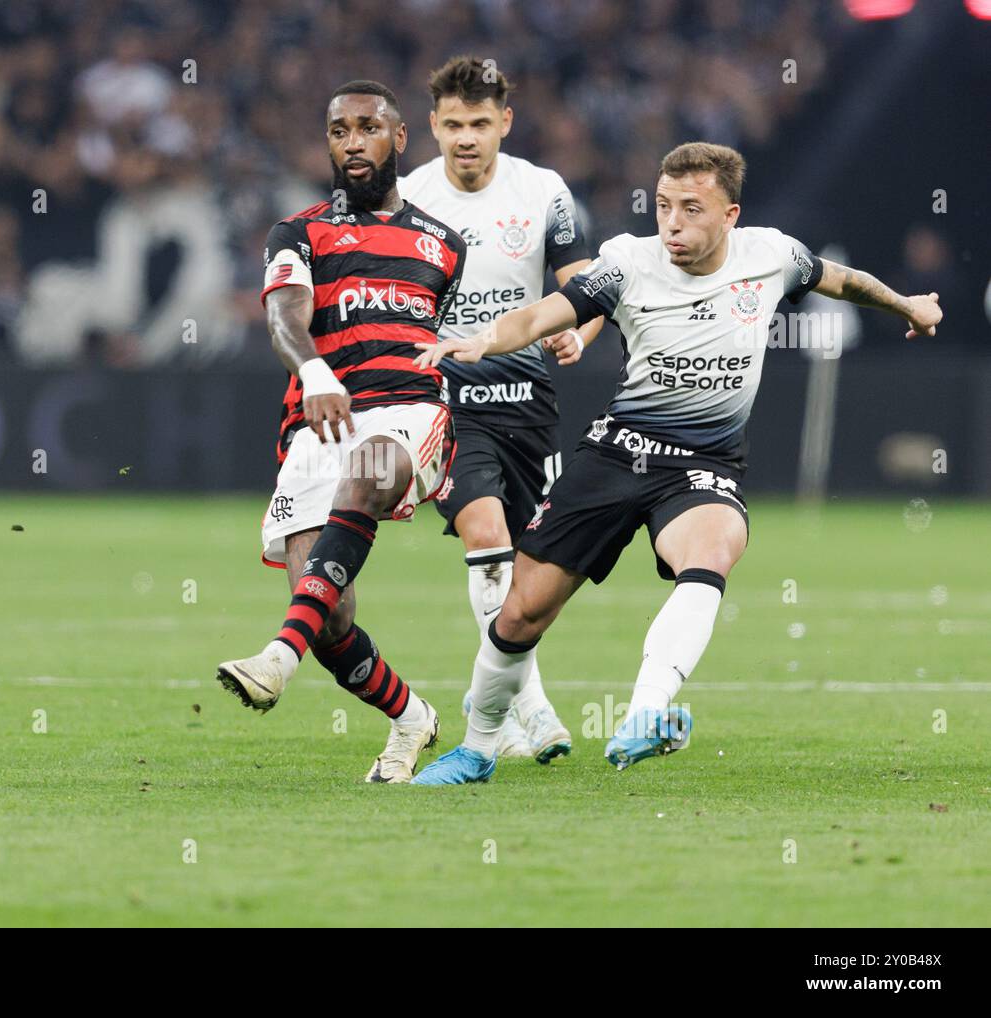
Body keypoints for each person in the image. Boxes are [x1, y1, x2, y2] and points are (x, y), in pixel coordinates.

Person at [410, 142, 942, 784]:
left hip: (704, 463)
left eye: (692, 209)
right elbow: (549, 310)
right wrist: (485, 339)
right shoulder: (628, 263)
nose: (673, 223)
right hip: (616, 454)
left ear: (730, 215)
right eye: (664, 206)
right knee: (522, 611)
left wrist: (908, 304)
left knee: (715, 547)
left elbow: (841, 279)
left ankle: (644, 714)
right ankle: (476, 747)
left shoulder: (770, 255)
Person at [216, 80, 467, 783]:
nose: (353, 142)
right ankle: (412, 716)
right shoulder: (297, 233)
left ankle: (276, 659)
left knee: (376, 468)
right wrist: (318, 373)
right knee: (329, 618)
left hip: (409, 412)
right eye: (338, 131)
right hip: (319, 420)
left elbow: (431, 337)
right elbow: (283, 319)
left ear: (400, 137)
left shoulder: (445, 245)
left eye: (368, 127)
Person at [399, 55, 603, 764]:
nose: (465, 137)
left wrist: (580, 331)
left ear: (504, 122)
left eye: (479, 123)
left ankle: (515, 700)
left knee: (525, 569)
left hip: (529, 404)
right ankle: (528, 708)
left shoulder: (542, 191)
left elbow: (585, 285)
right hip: (445, 406)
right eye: (452, 123)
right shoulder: (407, 198)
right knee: (484, 531)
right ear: (431, 125)